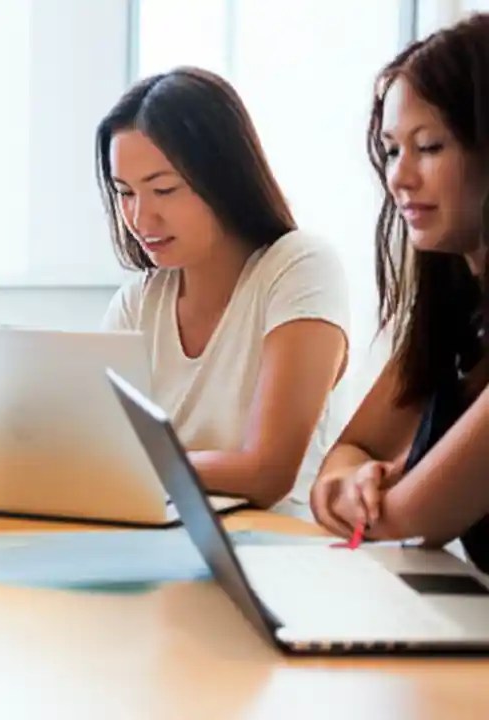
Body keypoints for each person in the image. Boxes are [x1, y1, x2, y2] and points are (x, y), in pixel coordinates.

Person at [97, 67, 350, 508]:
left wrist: (132, 465)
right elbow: (88, 448)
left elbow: (267, 472)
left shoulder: (299, 267)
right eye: (125, 193)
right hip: (165, 541)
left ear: (223, 178)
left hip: (280, 549)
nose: (140, 219)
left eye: (164, 190)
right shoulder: (138, 302)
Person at [310, 14, 489, 564]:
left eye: (429, 146)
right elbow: (347, 452)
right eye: (391, 150)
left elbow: (410, 515)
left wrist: (361, 494)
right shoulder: (459, 302)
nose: (399, 177)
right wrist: (347, 483)